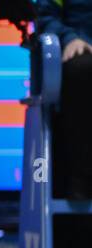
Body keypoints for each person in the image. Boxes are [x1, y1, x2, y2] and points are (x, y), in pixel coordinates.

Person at [36, 0, 92, 198]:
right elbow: (46, 17)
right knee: (82, 69)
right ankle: (81, 180)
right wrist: (69, 38)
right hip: (81, 48)